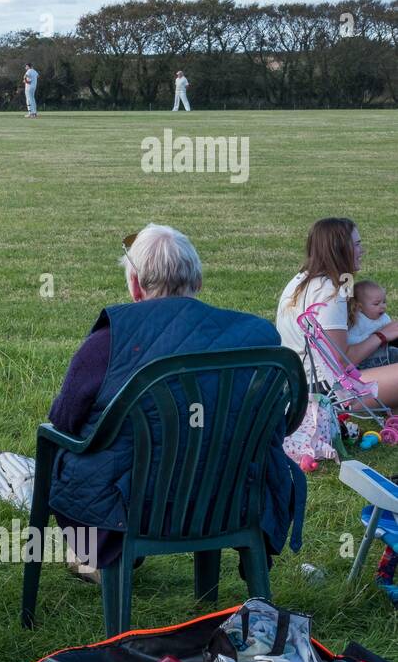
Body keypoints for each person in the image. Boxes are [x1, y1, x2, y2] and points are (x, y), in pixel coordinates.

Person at [49, 224, 306, 583]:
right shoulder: (258, 337)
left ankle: (97, 556)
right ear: (197, 281)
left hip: (131, 507)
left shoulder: (110, 341)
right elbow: (275, 425)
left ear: (136, 286)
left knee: (64, 453)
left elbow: (64, 420)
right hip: (231, 499)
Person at [276, 218, 398, 403]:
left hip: (299, 381)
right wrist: (382, 334)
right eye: (356, 245)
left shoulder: (306, 278)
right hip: (321, 391)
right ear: (339, 249)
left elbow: (348, 324)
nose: (362, 250)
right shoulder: (329, 293)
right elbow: (341, 362)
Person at [349, 280, 397, 369]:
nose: (383, 306)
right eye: (376, 304)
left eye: (384, 302)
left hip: (383, 351)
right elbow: (351, 341)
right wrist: (373, 338)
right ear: (359, 307)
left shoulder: (384, 317)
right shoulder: (357, 321)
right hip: (365, 360)